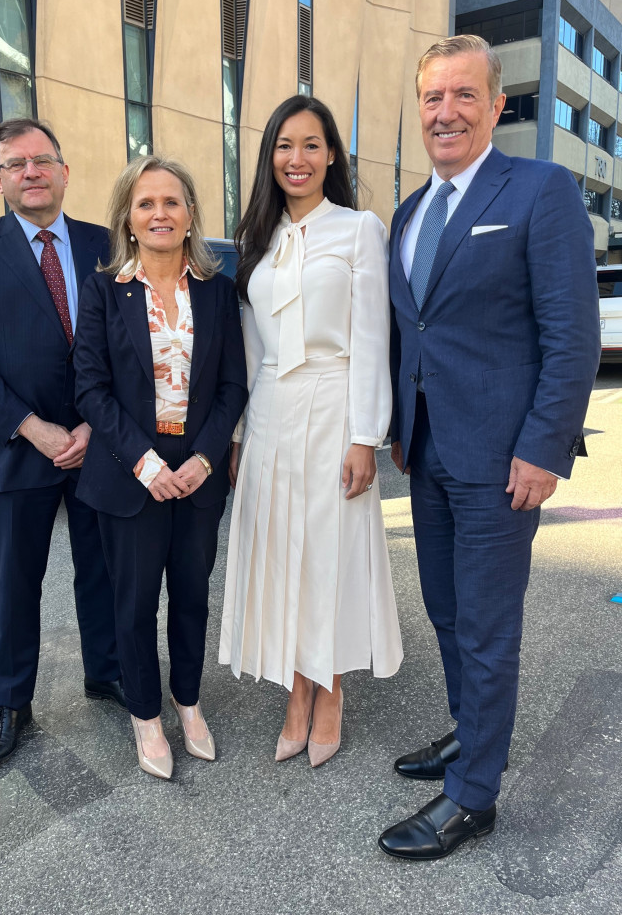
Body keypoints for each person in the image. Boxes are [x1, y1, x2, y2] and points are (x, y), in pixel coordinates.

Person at [378, 35, 600, 861]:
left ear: (496, 106)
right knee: (445, 610)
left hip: (504, 459)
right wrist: (401, 429)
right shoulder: (408, 211)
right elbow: (415, 334)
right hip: (428, 454)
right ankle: (468, 733)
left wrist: (544, 447)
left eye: (464, 96)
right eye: (433, 97)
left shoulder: (541, 191)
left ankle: (474, 796)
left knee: (487, 627)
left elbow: (570, 336)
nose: (446, 112)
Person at [219, 95, 403, 767]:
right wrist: (237, 433)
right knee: (282, 555)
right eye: (283, 146)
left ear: (331, 156)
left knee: (327, 555)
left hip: (333, 410)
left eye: (311, 145)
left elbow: (372, 340)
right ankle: (294, 690)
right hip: (269, 414)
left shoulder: (359, 230)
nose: (296, 159)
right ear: (269, 158)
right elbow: (245, 348)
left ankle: (328, 692)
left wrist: (365, 436)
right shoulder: (253, 241)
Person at [0, 118, 124, 770]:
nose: (31, 173)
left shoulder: (105, 245)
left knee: (103, 571)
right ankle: (11, 703)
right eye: (16, 164)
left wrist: (94, 424)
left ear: (65, 171)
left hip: (98, 445)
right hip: (17, 450)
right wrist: (35, 428)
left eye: (42, 160)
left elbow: (125, 346)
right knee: (16, 583)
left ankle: (107, 672)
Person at [74, 156, 247, 780]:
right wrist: (147, 463)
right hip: (129, 469)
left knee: (193, 597)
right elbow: (91, 390)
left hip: (197, 466)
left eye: (171, 202)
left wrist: (204, 456)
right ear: (128, 216)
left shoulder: (217, 291)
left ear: (190, 212)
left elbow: (233, 385)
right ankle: (146, 716)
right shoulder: (102, 291)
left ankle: (189, 702)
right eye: (145, 204)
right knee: (136, 599)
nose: (159, 214)